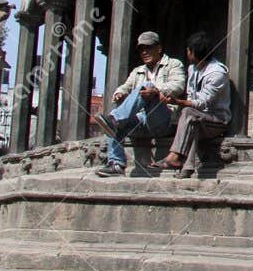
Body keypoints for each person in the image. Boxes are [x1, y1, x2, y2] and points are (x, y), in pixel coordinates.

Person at [94, 31, 186, 177]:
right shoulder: (138, 71)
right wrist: (120, 93)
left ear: (159, 48)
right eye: (141, 49)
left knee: (147, 86)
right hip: (141, 122)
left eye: (148, 48)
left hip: (163, 120)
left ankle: (114, 119)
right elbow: (125, 86)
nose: (144, 52)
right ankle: (116, 165)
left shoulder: (173, 64)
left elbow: (178, 85)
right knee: (113, 125)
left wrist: (155, 91)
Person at [155, 31, 232, 175]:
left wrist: (177, 101)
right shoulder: (192, 69)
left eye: (188, 49)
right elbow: (191, 94)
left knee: (188, 113)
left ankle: (174, 156)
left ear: (193, 52)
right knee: (190, 121)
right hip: (198, 119)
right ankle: (187, 167)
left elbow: (202, 103)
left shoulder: (217, 73)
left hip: (217, 121)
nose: (186, 52)